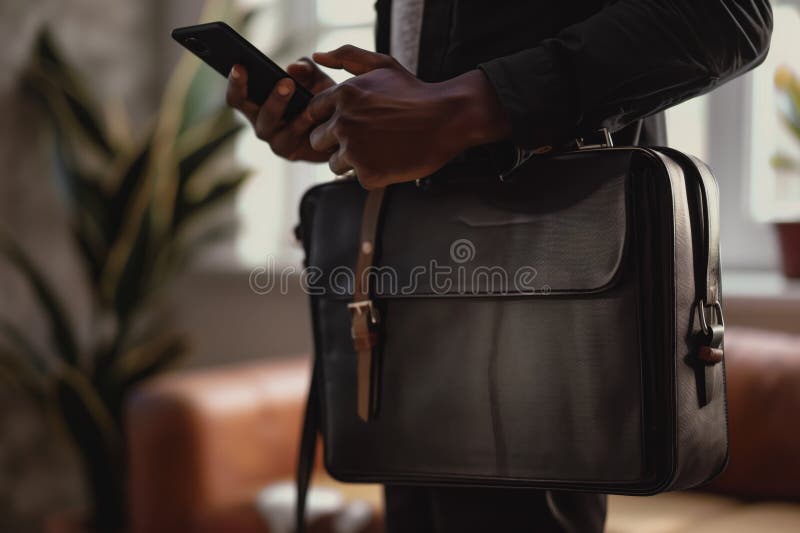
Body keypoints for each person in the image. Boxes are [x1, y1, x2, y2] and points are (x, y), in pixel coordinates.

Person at [226, 1, 772, 531]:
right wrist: (345, 129)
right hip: (421, 311)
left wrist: (464, 106)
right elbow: (431, 94)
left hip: (551, 296)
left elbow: (727, 16)